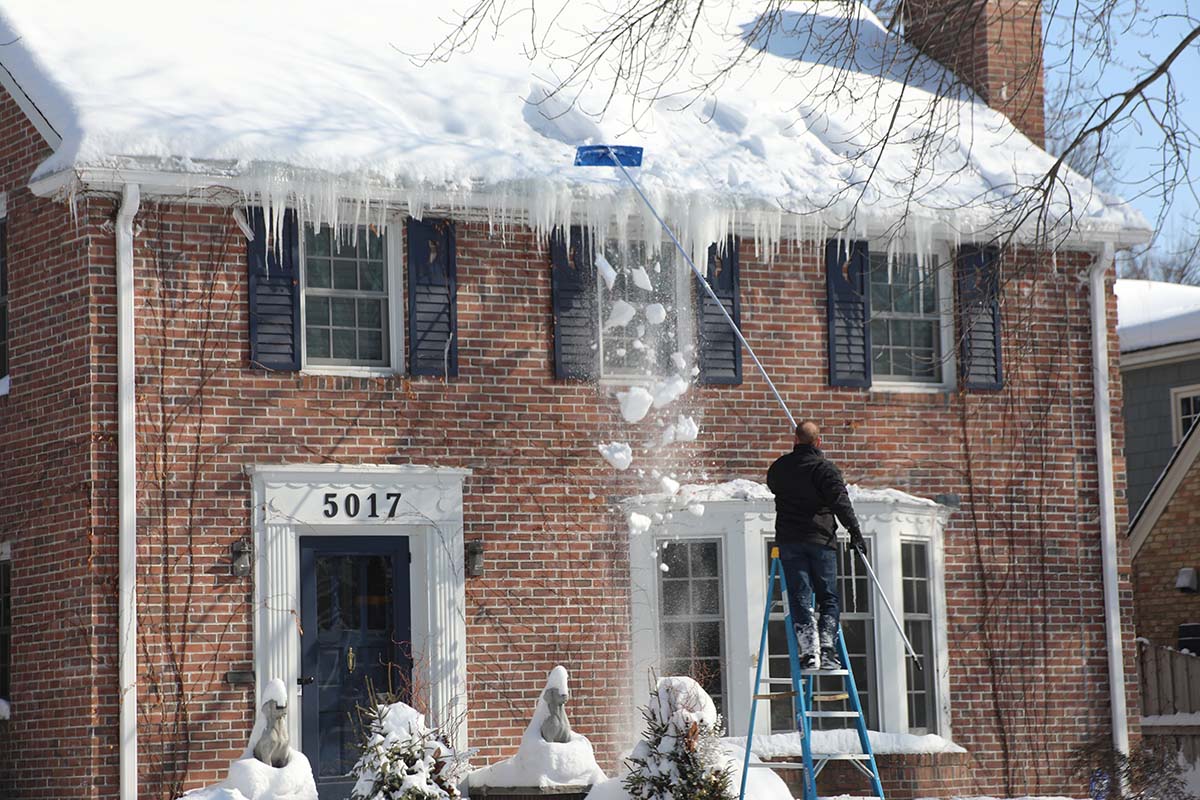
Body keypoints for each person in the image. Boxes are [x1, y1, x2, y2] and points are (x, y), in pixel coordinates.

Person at [766, 420, 866, 671]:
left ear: (794, 440)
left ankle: (809, 652)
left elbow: (773, 485)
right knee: (827, 597)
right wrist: (854, 531)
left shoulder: (780, 468)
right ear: (818, 442)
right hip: (821, 541)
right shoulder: (825, 470)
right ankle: (827, 649)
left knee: (800, 595)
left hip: (790, 540)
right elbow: (840, 501)